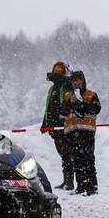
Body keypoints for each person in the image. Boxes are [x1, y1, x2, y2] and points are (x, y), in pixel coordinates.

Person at [62, 70, 102, 194]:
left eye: (78, 80)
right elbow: (62, 112)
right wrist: (69, 103)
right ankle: (81, 187)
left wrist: (81, 105)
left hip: (87, 132)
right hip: (73, 133)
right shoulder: (68, 96)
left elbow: (96, 108)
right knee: (77, 161)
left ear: (83, 81)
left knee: (88, 160)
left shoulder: (90, 94)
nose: (76, 82)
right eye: (74, 80)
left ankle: (92, 187)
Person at [42, 61, 75, 189]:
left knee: (67, 153)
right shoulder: (52, 88)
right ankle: (66, 180)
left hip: (64, 124)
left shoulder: (66, 85)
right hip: (54, 125)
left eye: (60, 68)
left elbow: (69, 101)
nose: (57, 70)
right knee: (62, 153)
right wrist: (45, 123)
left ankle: (70, 182)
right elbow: (49, 107)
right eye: (55, 68)